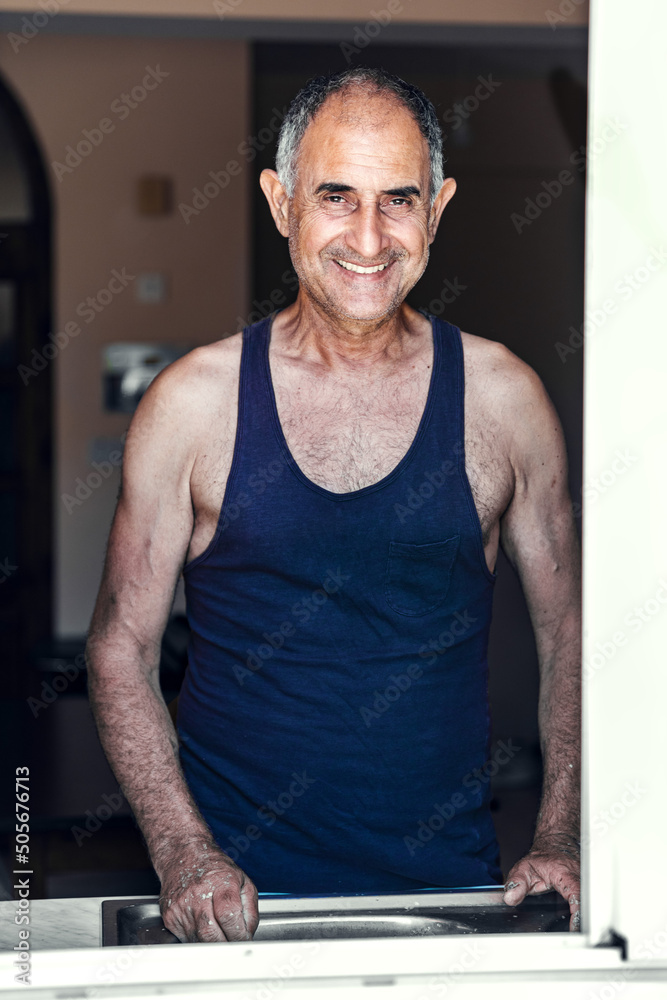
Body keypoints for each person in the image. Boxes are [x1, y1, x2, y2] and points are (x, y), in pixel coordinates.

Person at [86, 67, 581, 943]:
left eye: (398, 199)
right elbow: (121, 643)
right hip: (228, 909)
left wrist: (559, 835)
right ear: (281, 204)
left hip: (454, 898)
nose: (367, 235)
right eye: (335, 196)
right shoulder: (192, 403)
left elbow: (571, 631)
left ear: (438, 207)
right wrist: (183, 853)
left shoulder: (505, 401)